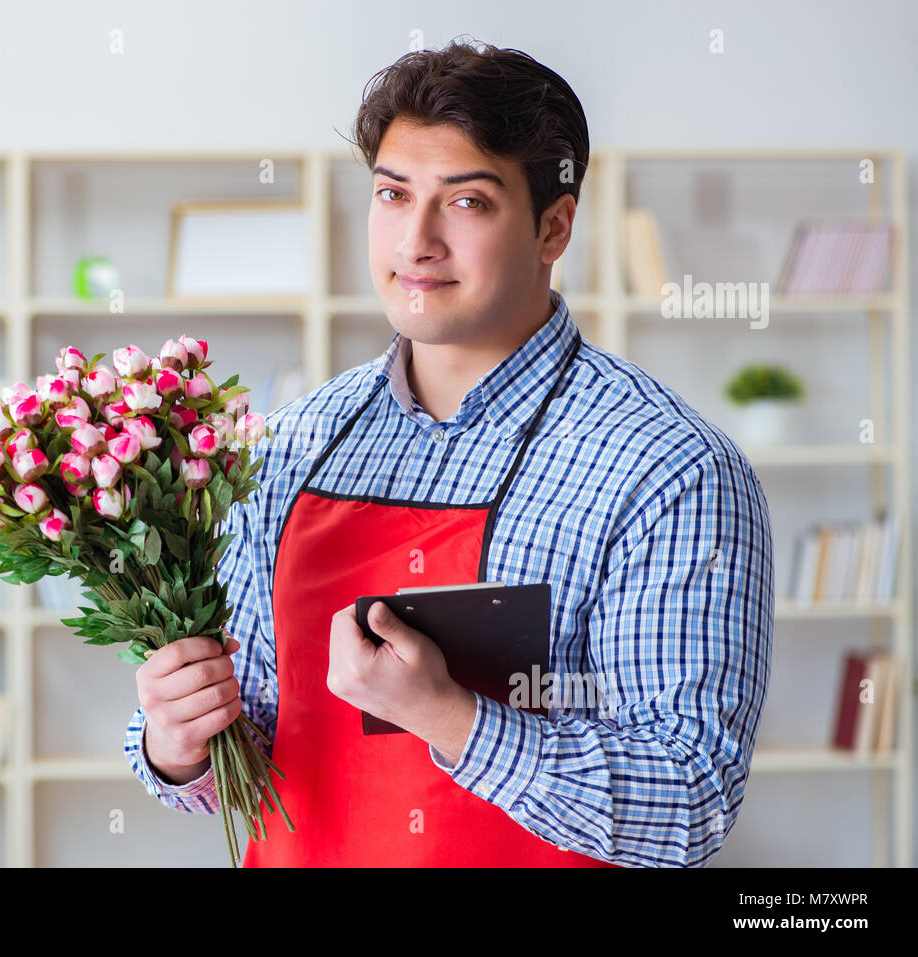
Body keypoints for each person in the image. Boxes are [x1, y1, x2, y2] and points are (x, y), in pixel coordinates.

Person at [125, 39, 773, 867]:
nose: (417, 241)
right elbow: (250, 750)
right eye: (394, 195)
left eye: (465, 203)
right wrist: (175, 744)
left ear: (554, 227)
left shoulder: (667, 469)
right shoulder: (289, 445)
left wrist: (450, 716)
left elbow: (688, 800)